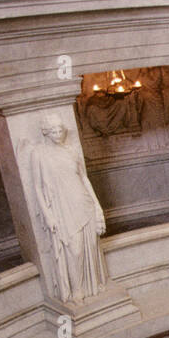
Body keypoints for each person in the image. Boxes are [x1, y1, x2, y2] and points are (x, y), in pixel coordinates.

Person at [27, 114, 109, 304]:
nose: (58, 134)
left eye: (60, 130)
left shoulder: (71, 150)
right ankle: (77, 290)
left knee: (90, 246)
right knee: (75, 250)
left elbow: (84, 179)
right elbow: (38, 188)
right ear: (46, 133)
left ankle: (92, 283)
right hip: (62, 209)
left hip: (82, 202)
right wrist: (48, 215)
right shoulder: (39, 155)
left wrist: (97, 206)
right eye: (54, 131)